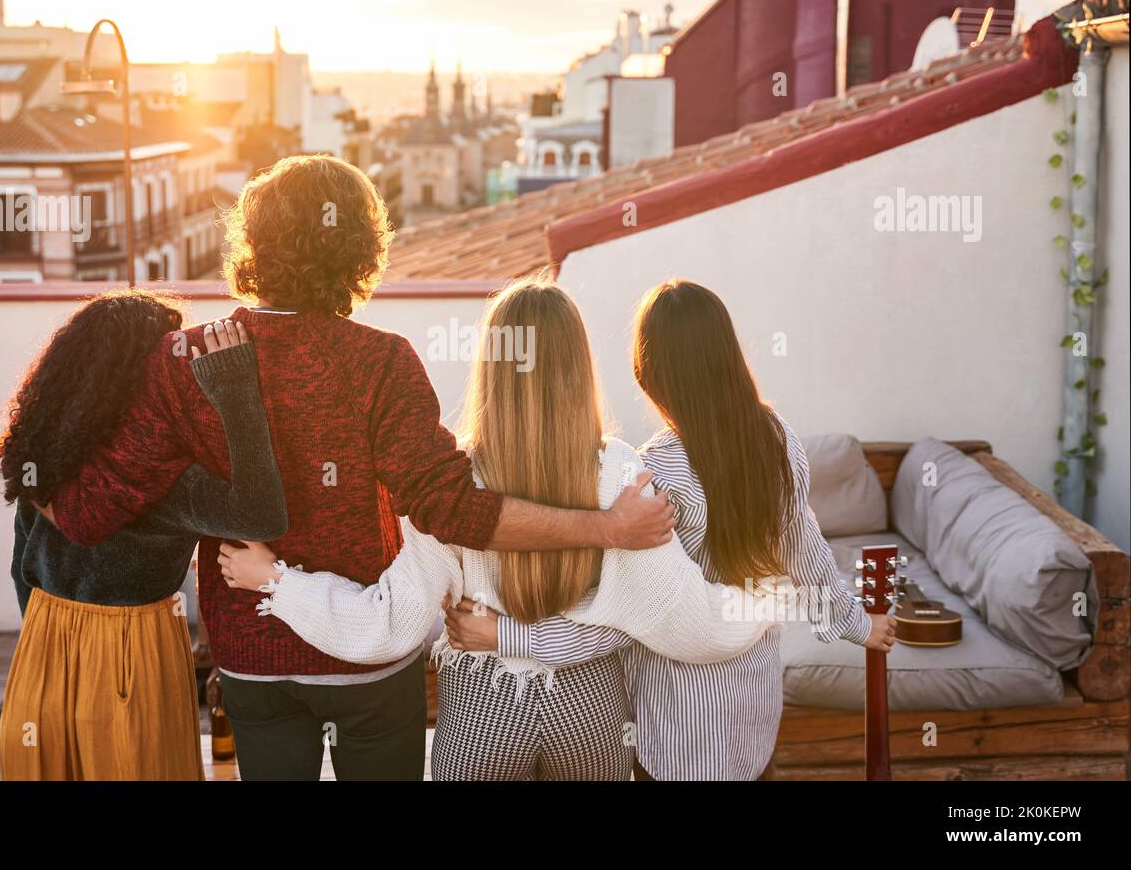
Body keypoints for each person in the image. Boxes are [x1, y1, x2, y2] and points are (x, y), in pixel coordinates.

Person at [44, 156, 674, 781]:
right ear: (360, 250)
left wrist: (26, 468)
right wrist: (608, 528)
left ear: (252, 244)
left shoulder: (181, 357)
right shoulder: (381, 362)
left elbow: (94, 511)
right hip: (366, 661)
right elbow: (453, 510)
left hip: (251, 655)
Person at [218, 277, 777, 780]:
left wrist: (277, 581)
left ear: (491, 365)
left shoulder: (453, 485)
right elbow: (690, 623)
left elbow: (389, 625)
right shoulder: (621, 473)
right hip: (590, 715)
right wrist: (772, 597)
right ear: (578, 365)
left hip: (482, 713)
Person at [447, 279, 897, 780]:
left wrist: (507, 635)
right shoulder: (777, 438)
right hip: (753, 708)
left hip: (676, 727)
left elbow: (619, 618)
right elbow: (804, 550)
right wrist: (857, 623)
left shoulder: (654, 477)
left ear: (649, 375)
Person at [0, 293, 287, 780]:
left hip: (39, 657)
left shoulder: (44, 457)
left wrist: (52, 652)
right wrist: (237, 392)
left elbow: (20, 567)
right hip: (132, 658)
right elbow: (260, 515)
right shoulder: (165, 475)